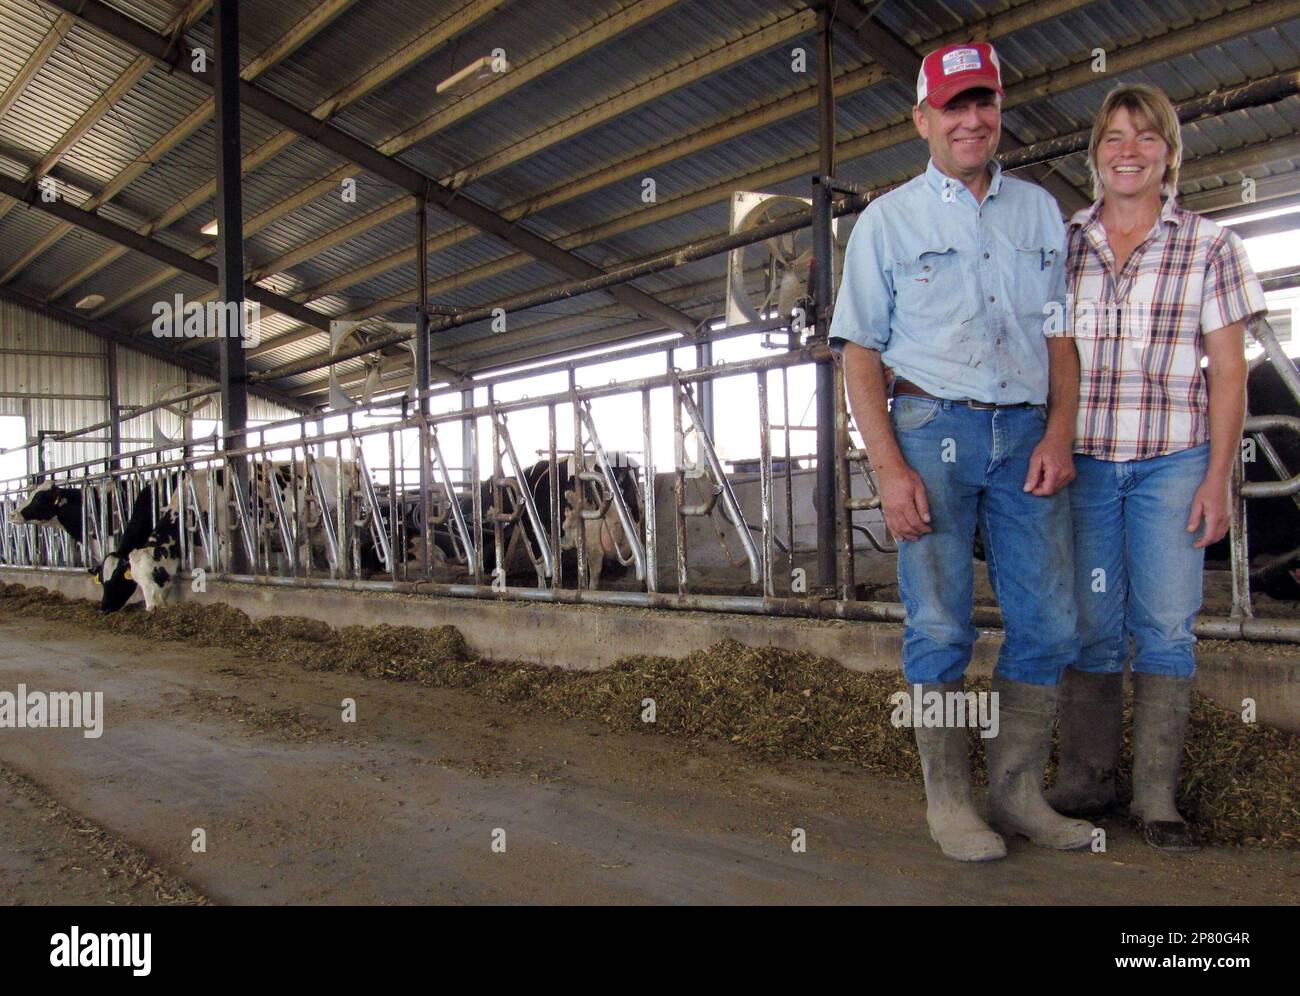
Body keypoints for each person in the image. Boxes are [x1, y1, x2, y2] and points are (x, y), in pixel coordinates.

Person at [831, 42, 1093, 862]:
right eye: (954, 106)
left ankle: (1017, 792)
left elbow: (1060, 333)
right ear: (923, 119)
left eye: (984, 102)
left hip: (1025, 435)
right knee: (941, 625)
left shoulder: (1039, 212)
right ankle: (948, 799)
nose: (972, 119)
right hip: (929, 431)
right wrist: (888, 467)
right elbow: (859, 351)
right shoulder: (888, 220)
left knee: (1049, 621)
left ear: (999, 110)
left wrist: (1059, 431)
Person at [1047, 84, 1266, 851]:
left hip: (1175, 459)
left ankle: (1156, 798)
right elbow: (1053, 351)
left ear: (1170, 153)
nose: (1129, 149)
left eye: (1146, 136)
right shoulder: (1064, 244)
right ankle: (1086, 781)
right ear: (1095, 153)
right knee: (1092, 626)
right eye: (1113, 136)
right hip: (1088, 464)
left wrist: (1218, 478)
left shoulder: (1210, 245)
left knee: (1167, 626)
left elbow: (1229, 372)